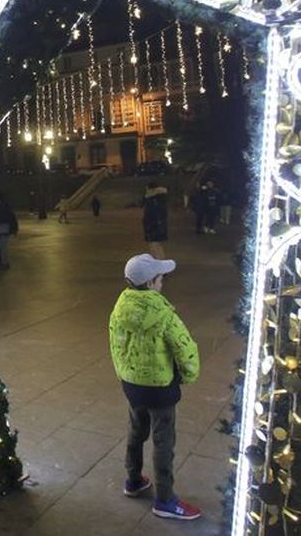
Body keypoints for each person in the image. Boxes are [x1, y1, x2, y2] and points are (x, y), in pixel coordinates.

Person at [109, 254, 201, 521]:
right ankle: (165, 499)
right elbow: (185, 349)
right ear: (151, 282)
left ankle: (134, 479)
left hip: (131, 384)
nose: (163, 282)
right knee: (163, 441)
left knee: (136, 430)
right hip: (160, 389)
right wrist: (188, 375)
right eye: (161, 278)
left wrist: (124, 374)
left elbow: (116, 346)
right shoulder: (163, 314)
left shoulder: (120, 307)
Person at [0, 191, 18, 270]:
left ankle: (4, 263)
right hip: (2, 228)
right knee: (1, 246)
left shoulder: (2, 207)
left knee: (3, 247)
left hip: (3, 228)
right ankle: (3, 262)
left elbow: (7, 218)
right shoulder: (3, 206)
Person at [143, 182, 169, 259]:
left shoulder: (154, 199)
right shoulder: (157, 198)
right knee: (155, 245)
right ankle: (159, 265)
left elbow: (154, 213)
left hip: (154, 225)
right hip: (155, 225)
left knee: (155, 246)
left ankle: (160, 266)